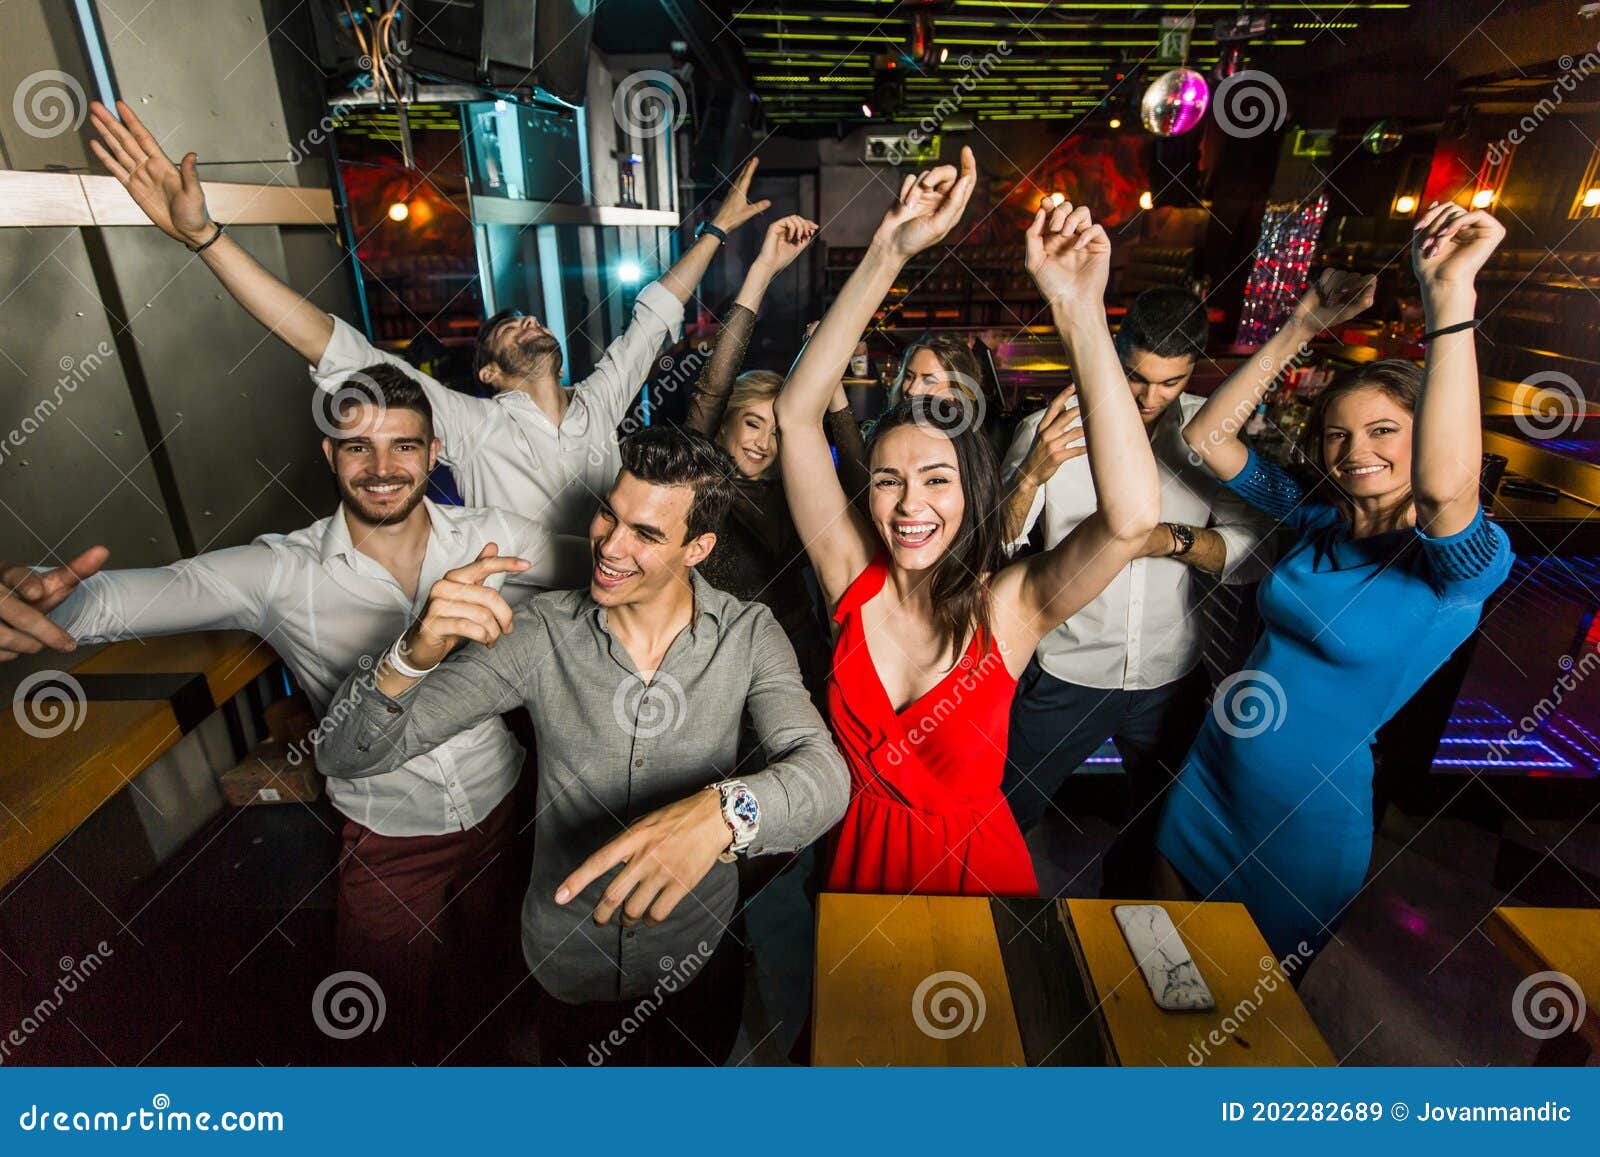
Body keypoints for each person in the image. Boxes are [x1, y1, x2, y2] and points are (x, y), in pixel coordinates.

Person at [0, 366, 588, 1063]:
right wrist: (41, 599)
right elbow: (123, 600)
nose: (381, 468)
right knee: (380, 1021)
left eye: (404, 446)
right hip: (388, 831)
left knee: (496, 979)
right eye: (356, 447)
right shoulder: (283, 573)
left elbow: (613, 566)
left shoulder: (491, 538)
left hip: (502, 803)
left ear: (434, 455)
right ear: (329, 456)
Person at [313, 425, 850, 1065]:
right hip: (568, 962)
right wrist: (411, 655)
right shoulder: (541, 633)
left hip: (696, 960)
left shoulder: (749, 635)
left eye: (647, 534)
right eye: (609, 515)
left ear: (698, 547)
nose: (611, 546)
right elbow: (345, 756)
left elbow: (824, 776)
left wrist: (723, 814)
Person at [87, 100, 770, 537]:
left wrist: (716, 229)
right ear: (490, 372)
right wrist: (207, 237)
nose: (531, 320)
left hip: (614, 611)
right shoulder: (470, 424)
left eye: (531, 316)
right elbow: (329, 342)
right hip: (520, 637)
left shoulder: (599, 401)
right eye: (510, 327)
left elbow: (654, 316)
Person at [774, 148, 1161, 898]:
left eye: (936, 480)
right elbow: (796, 414)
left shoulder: (1010, 608)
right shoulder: (848, 578)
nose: (911, 505)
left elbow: (1133, 518)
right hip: (855, 868)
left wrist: (1081, 312)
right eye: (889, 481)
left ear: (971, 490)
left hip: (973, 878)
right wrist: (891, 246)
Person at [1155, 204, 1515, 962]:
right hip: (1207, 781)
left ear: (1426, 433)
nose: (1357, 451)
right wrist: (1301, 324)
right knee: (1148, 982)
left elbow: (1450, 490)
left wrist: (1451, 301)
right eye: (1339, 434)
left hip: (1299, 831)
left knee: (1239, 1040)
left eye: (1384, 430)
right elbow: (1205, 438)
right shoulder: (1317, 519)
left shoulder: (1459, 566)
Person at [998, 286, 1275, 897]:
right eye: (1135, 377)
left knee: (1166, 832)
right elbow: (999, 546)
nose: (1149, 398)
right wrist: (1029, 474)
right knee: (999, 817)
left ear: (1193, 371)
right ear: (1115, 353)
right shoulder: (1048, 430)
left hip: (1170, 676)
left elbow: (1257, 547)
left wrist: (1167, 540)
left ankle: (1127, 942)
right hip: (1066, 670)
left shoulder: (1211, 434)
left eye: (1169, 382)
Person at [685, 214, 869, 698]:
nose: (763, 443)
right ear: (725, 421)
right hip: (712, 661)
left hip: (798, 655)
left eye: (777, 433)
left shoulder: (798, 495)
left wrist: (830, 385)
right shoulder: (700, 475)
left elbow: (860, 478)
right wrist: (764, 269)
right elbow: (715, 382)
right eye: (752, 423)